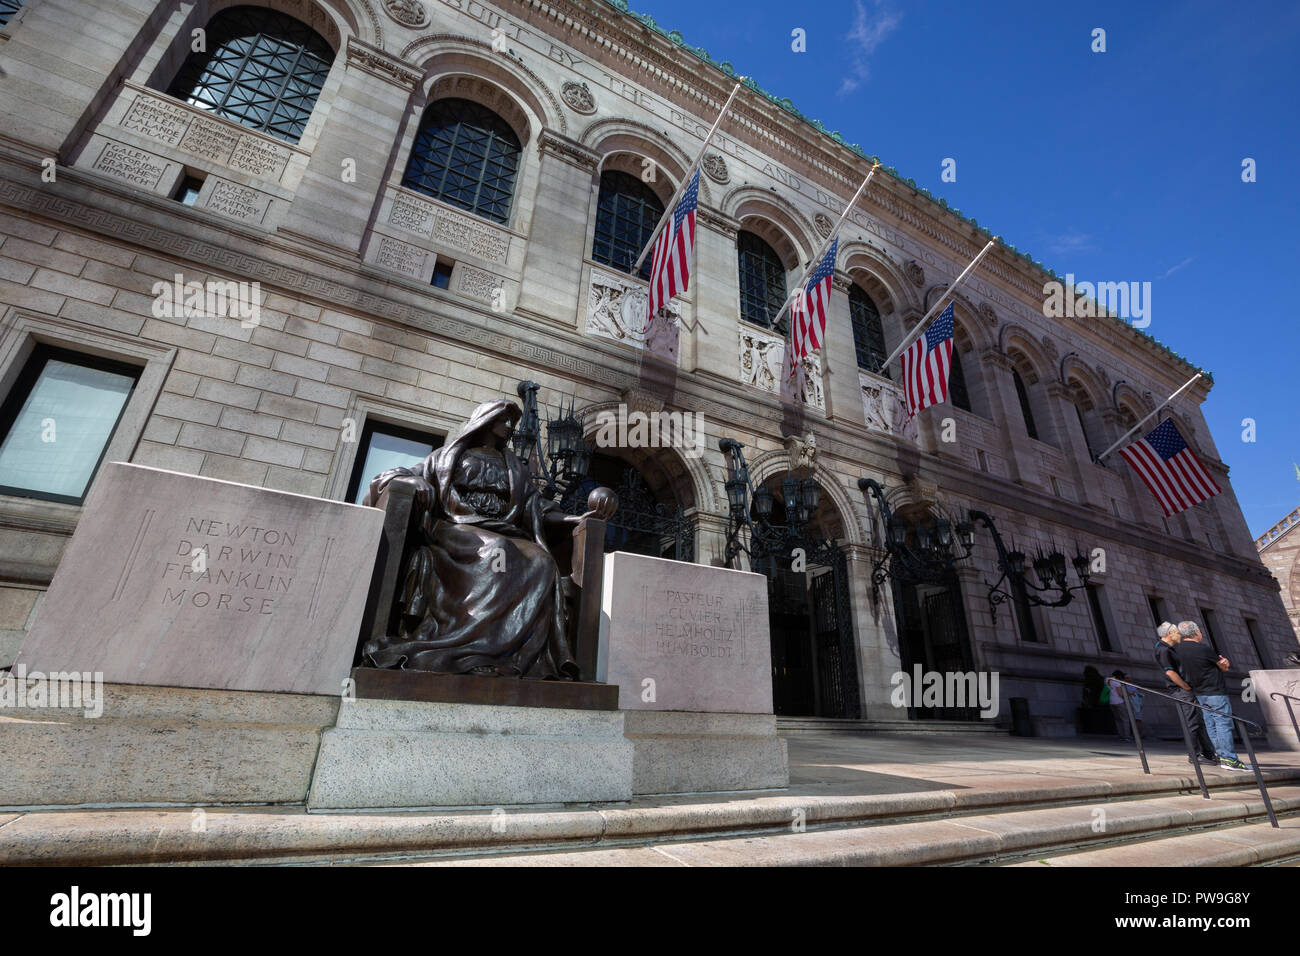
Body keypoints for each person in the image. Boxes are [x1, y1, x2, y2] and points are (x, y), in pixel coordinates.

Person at [360, 399, 616, 679]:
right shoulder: (446, 457)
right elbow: (395, 475)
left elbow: (538, 508)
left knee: (542, 561)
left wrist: (576, 520)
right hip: (456, 526)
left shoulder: (514, 467)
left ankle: (507, 655)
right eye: (504, 421)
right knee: (497, 550)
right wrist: (413, 482)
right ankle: (474, 649)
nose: (509, 428)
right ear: (486, 420)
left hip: (503, 530)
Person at [1176, 620, 1252, 772]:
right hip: (1215, 691)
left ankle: (1222, 756)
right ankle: (1230, 759)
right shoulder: (1203, 649)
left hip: (1199, 692)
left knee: (1211, 724)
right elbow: (1223, 666)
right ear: (1197, 632)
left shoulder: (1178, 650)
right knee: (1223, 723)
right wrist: (1225, 662)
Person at [1153, 621, 1219, 765]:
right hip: (1181, 691)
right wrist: (1185, 686)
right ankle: (1194, 755)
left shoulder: (1170, 649)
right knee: (1192, 723)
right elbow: (1169, 672)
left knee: (1198, 722)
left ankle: (1208, 753)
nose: (1180, 635)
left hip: (1186, 690)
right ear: (1169, 634)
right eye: (1177, 632)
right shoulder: (1163, 649)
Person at [1106, 670, 1143, 741]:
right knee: (1125, 719)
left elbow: (1107, 679)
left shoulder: (1109, 681)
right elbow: (1120, 694)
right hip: (1119, 702)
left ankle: (1121, 735)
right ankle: (1126, 736)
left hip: (1112, 702)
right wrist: (1129, 694)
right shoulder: (1117, 683)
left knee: (1117, 719)